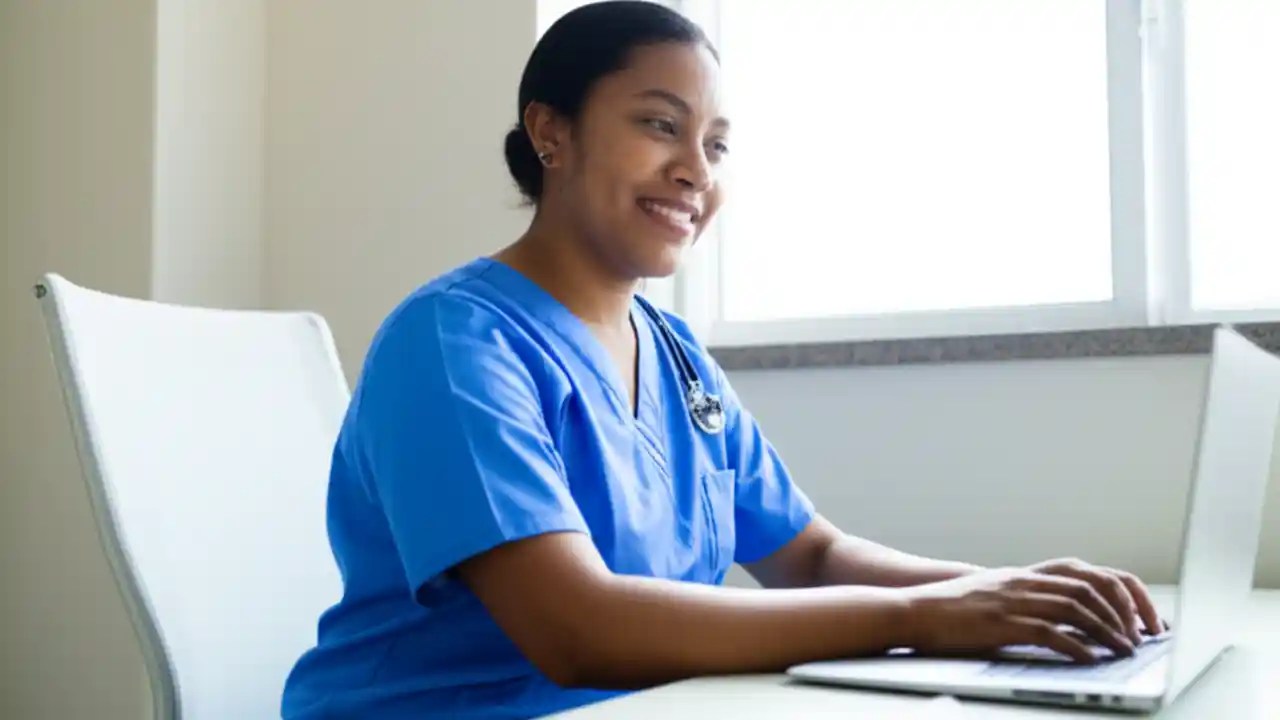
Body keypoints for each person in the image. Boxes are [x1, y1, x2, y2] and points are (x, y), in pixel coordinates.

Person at [281, 2, 1165, 718]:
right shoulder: (454, 345)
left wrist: (1016, 595)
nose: (695, 171)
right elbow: (577, 630)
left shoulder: (674, 355)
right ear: (551, 132)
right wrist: (922, 617)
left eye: (716, 144)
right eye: (660, 126)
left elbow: (810, 557)